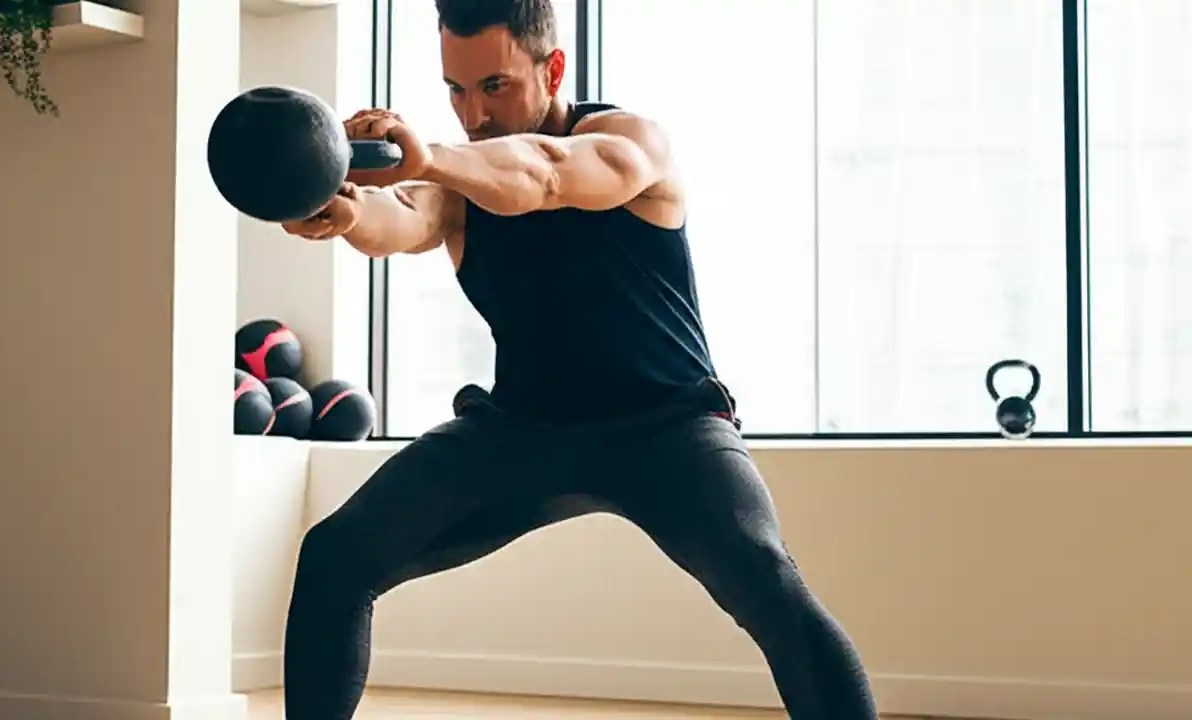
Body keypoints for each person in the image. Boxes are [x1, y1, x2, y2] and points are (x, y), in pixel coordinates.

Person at [278, 1, 879, 717]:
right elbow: (405, 215)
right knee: (335, 555)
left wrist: (432, 155)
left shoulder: (629, 143)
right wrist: (343, 211)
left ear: (553, 68)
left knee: (766, 579)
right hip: (522, 431)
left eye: (495, 86)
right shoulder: (459, 186)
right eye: (456, 90)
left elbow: (547, 174)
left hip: (667, 427)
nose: (474, 114)